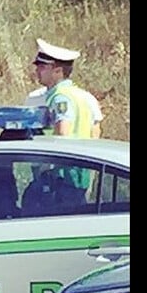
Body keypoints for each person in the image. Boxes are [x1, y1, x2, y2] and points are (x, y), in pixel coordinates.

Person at [31, 38, 94, 205]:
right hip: (81, 170)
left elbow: (62, 133)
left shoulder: (61, 98)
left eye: (42, 67)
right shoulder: (81, 95)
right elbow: (95, 131)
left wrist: (49, 166)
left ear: (58, 71)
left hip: (63, 174)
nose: (37, 70)